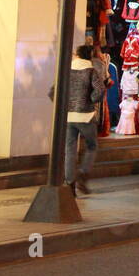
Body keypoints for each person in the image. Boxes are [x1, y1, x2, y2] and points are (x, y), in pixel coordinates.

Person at [54, 44, 105, 197]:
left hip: (69, 116)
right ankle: (83, 173)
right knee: (91, 146)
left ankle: (70, 183)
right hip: (86, 115)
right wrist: (91, 101)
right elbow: (100, 90)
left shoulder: (66, 71)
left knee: (69, 149)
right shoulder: (91, 71)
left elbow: (54, 91)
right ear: (89, 55)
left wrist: (64, 106)